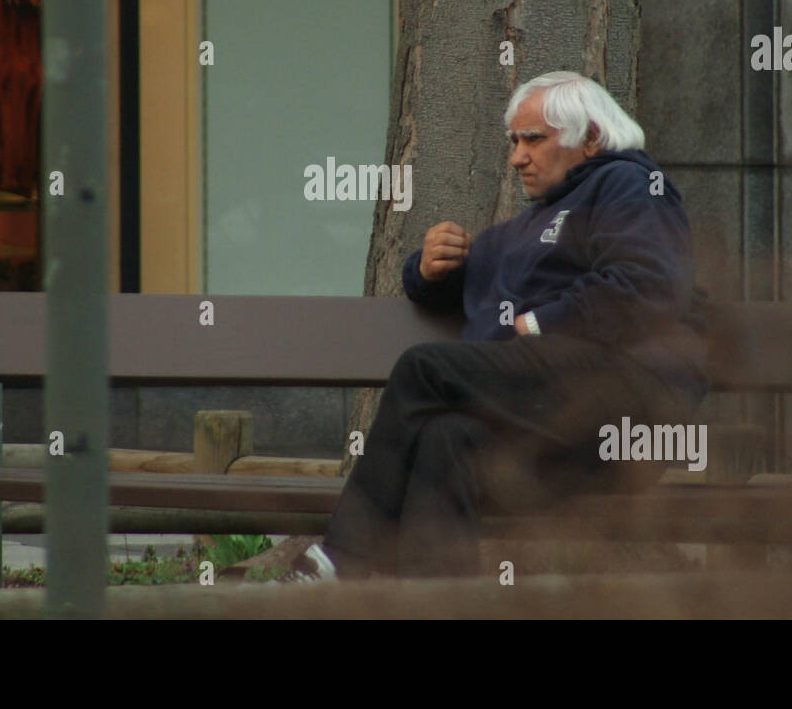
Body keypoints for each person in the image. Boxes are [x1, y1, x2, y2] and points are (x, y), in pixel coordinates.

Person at [285, 70, 710, 582]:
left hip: (620, 405)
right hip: (553, 417)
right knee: (447, 437)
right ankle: (439, 605)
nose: (516, 158)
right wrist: (427, 269)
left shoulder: (631, 184)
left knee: (424, 368)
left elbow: (646, 286)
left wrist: (535, 324)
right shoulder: (536, 220)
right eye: (513, 141)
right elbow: (474, 277)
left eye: (534, 139)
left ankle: (345, 558)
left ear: (591, 137)